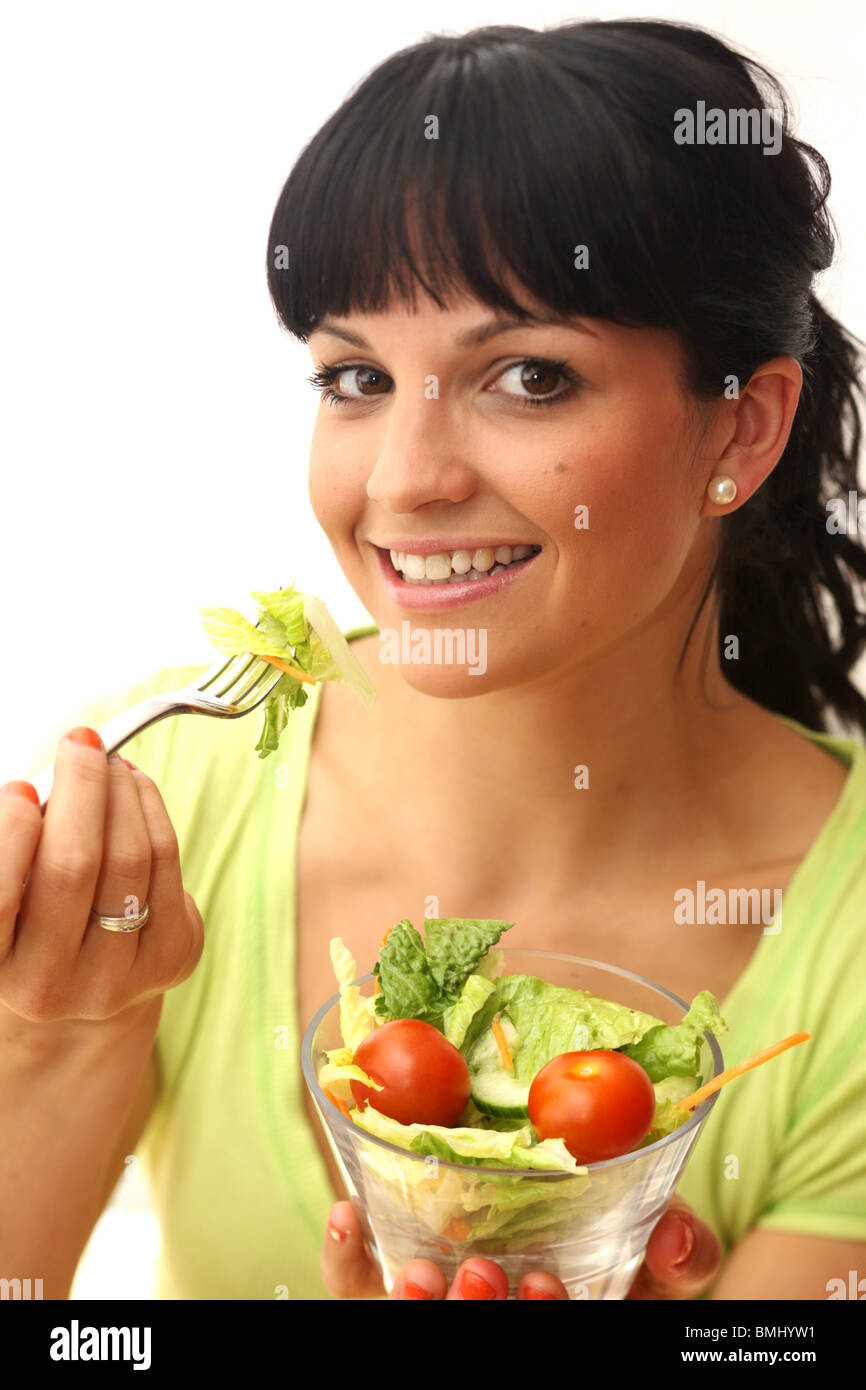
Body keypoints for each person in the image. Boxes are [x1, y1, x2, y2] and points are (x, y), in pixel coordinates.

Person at [4, 17, 866, 1302]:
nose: (404, 482)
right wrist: (60, 1031)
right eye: (352, 377)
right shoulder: (162, 799)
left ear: (738, 428)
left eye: (526, 375)